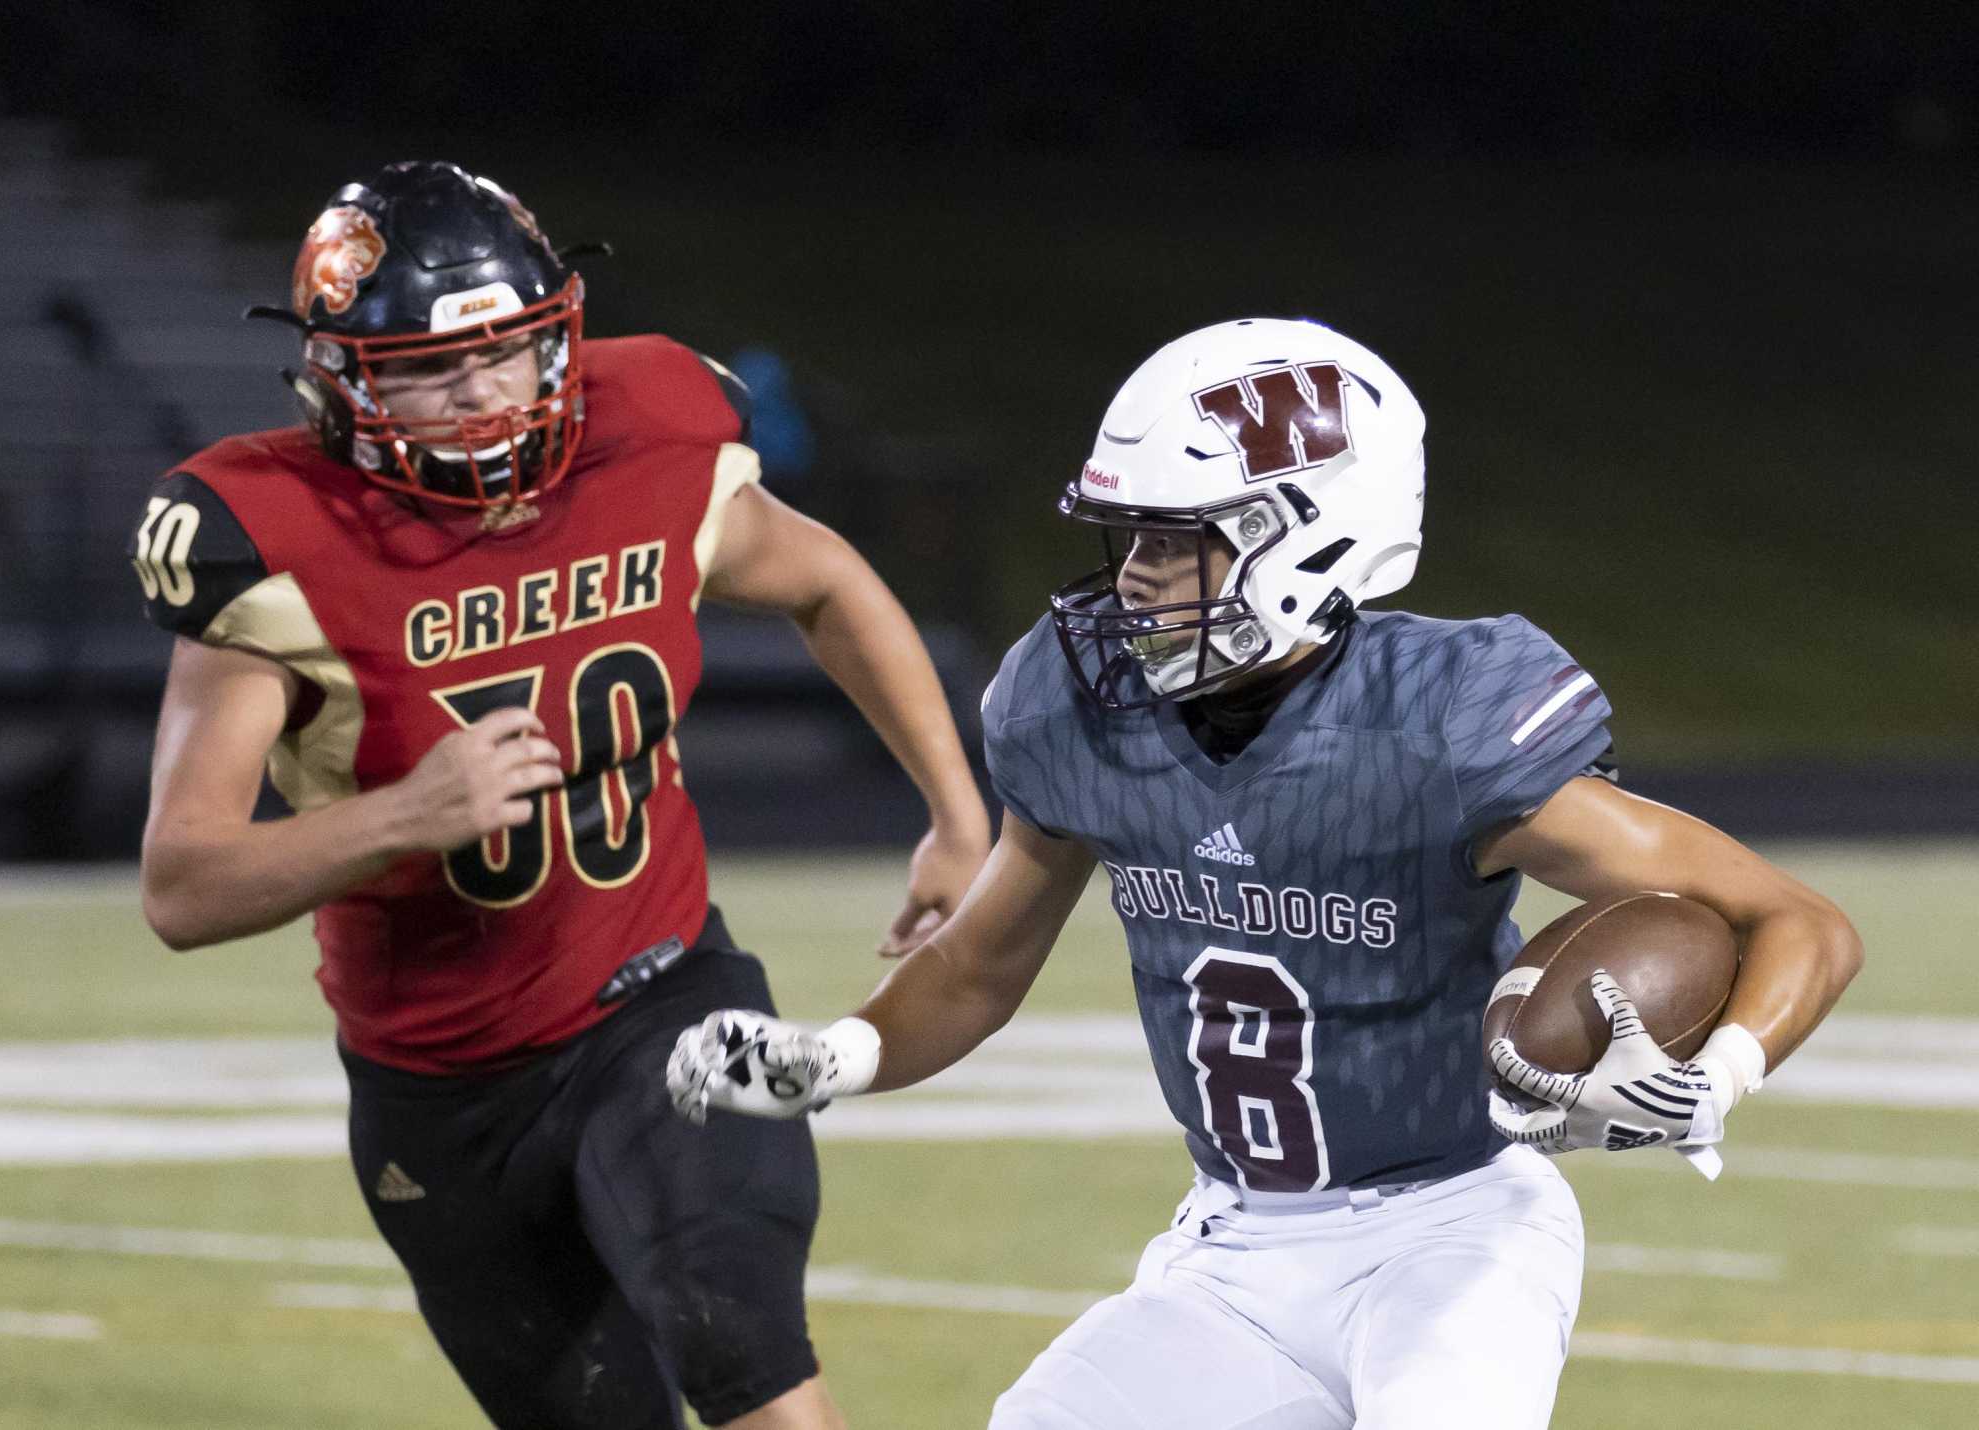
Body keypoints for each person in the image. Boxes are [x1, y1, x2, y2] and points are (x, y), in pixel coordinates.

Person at [664, 318, 1863, 1429]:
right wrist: (836, 1056)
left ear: (1313, 535)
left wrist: (1718, 1070)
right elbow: (977, 965)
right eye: (1126, 537)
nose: (1131, 577)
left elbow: (1794, 917)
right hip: (1230, 1252)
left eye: (1177, 544)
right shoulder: (1082, 707)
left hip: (1449, 1231)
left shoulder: (1435, 724)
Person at [132, 160, 990, 1430]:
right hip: (438, 1084)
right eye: (428, 366)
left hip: (667, 1007)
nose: (481, 392)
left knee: (742, 1342)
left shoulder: (647, 428)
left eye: (508, 351)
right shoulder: (274, 536)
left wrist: (956, 811)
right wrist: (402, 815)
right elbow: (181, 882)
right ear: (340, 377)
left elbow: (826, 581)